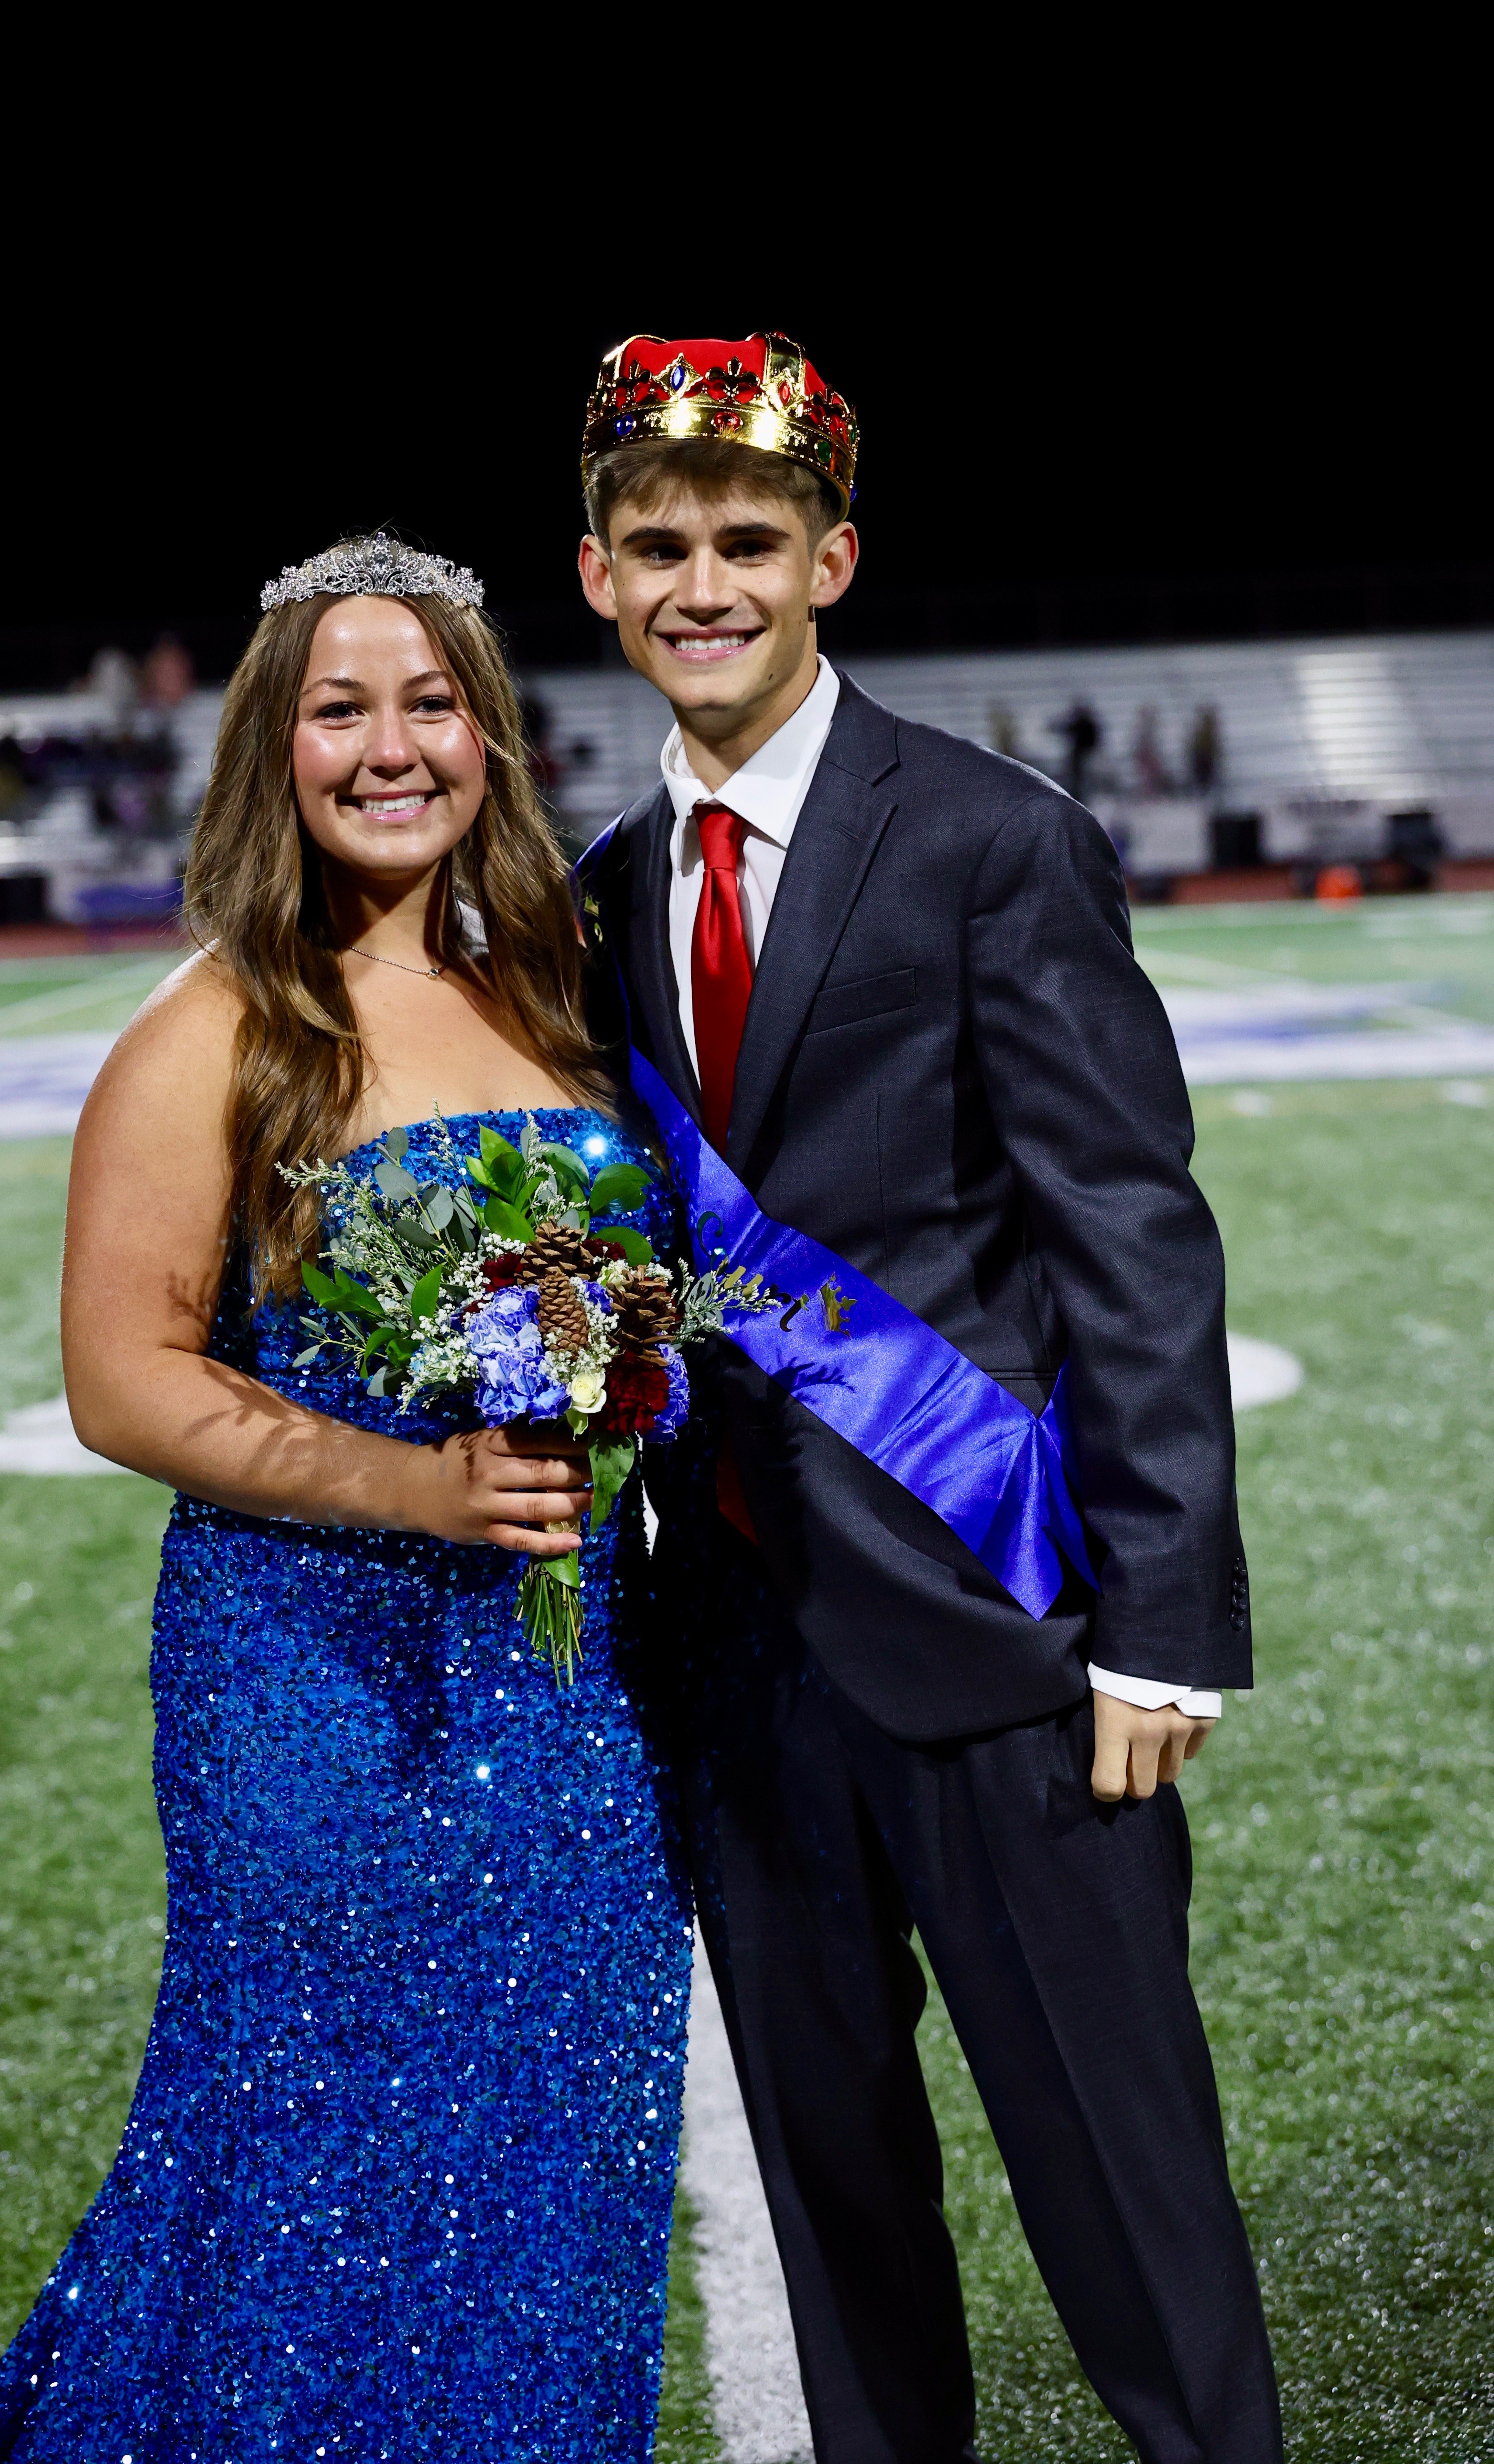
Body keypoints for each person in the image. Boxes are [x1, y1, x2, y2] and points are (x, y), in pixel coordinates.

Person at [575, 333, 1281, 2463]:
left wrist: (1161, 1623)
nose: (705, 581)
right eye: (659, 543)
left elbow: (1131, 1239)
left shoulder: (989, 837)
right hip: (730, 1651)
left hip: (1004, 1638)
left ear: (832, 559)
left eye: (749, 542)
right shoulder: (595, 897)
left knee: (1124, 2194)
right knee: (834, 2214)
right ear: (598, 576)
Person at [0, 534, 692, 2461]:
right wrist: (413, 1488)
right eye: (340, 709)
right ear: (274, 748)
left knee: (554, 2161)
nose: (391, 747)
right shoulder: (213, 1031)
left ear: (487, 733)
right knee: (306, 2157)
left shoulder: (557, 989)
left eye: (429, 702)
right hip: (312, 1696)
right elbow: (123, 1382)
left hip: (572, 1690)